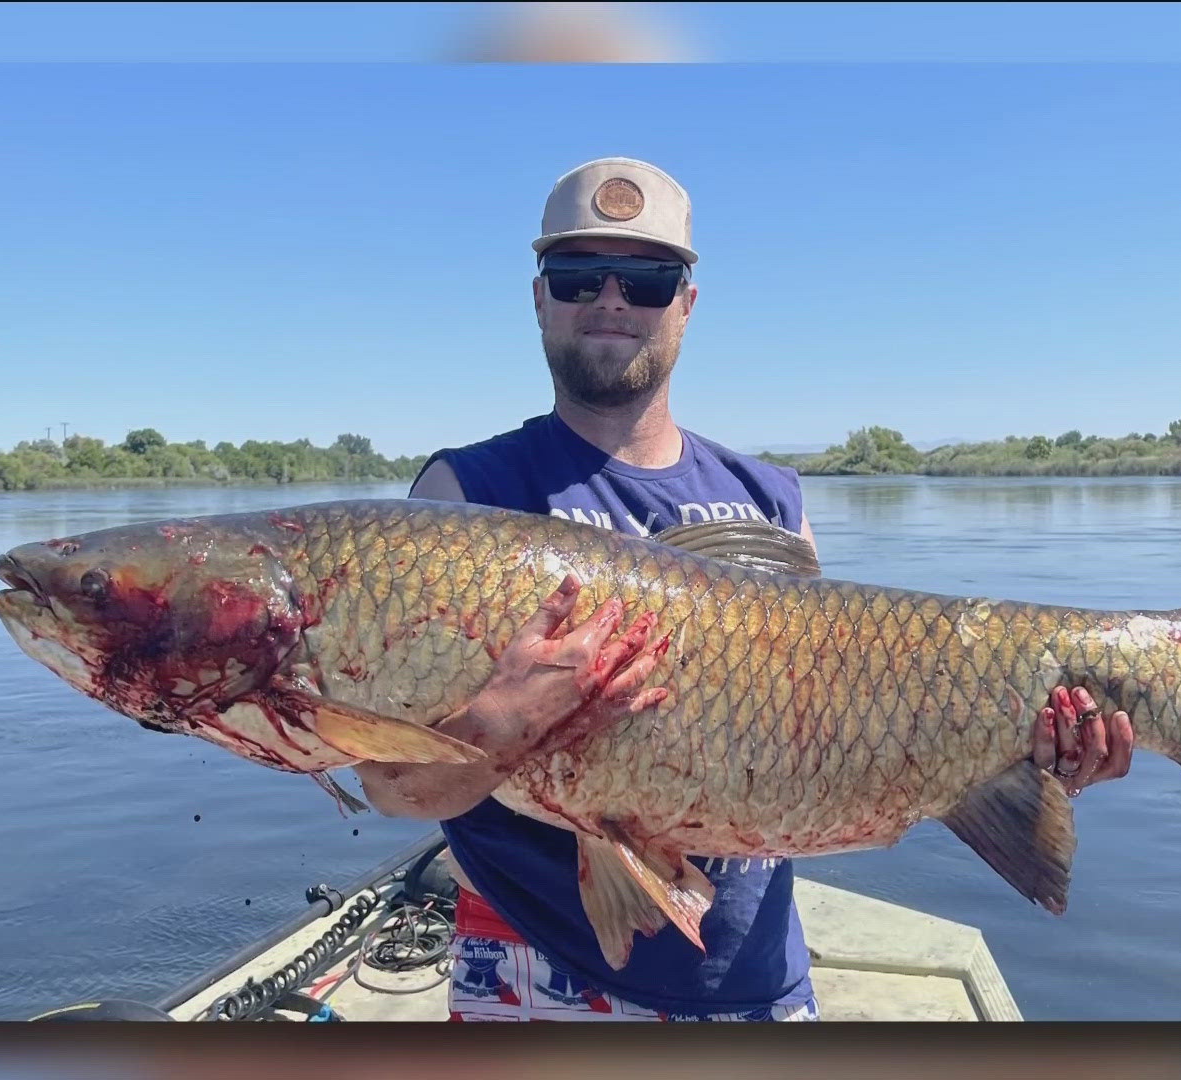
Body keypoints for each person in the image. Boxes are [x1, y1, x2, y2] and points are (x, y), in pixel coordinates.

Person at [351, 158, 1135, 1022]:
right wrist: (498, 726)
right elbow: (390, 789)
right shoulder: (464, 499)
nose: (610, 301)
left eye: (646, 280)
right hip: (531, 967)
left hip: (754, 980)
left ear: (686, 304)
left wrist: (1024, 756)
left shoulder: (772, 498)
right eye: (578, 276)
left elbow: (833, 730)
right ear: (540, 298)